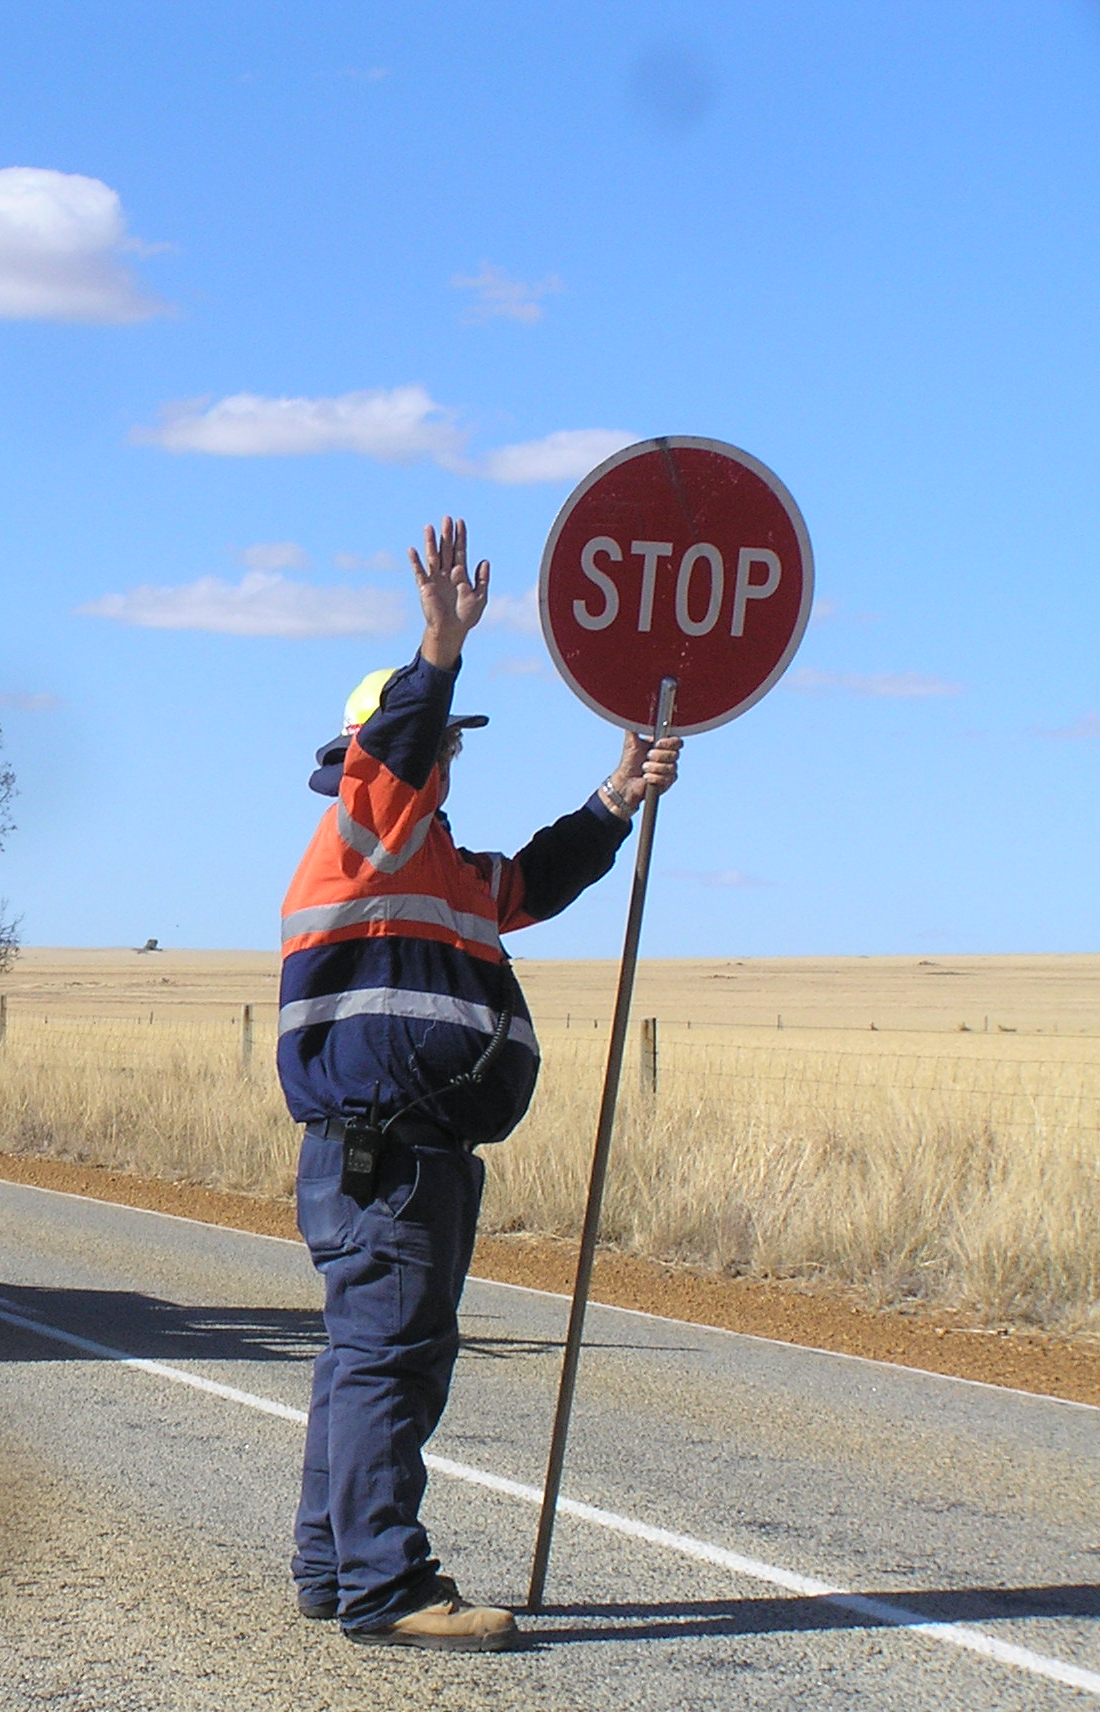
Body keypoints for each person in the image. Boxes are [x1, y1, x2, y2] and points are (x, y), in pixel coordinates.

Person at [279, 517, 680, 1652]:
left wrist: (615, 798)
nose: (449, 752)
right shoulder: (364, 832)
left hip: (407, 1156)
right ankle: (387, 1586)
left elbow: (534, 880)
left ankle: (333, 1566)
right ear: (377, 750)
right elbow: (397, 752)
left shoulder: (436, 865)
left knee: (368, 1360)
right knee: (391, 1363)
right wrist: (438, 650)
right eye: (440, 738)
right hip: (389, 1155)